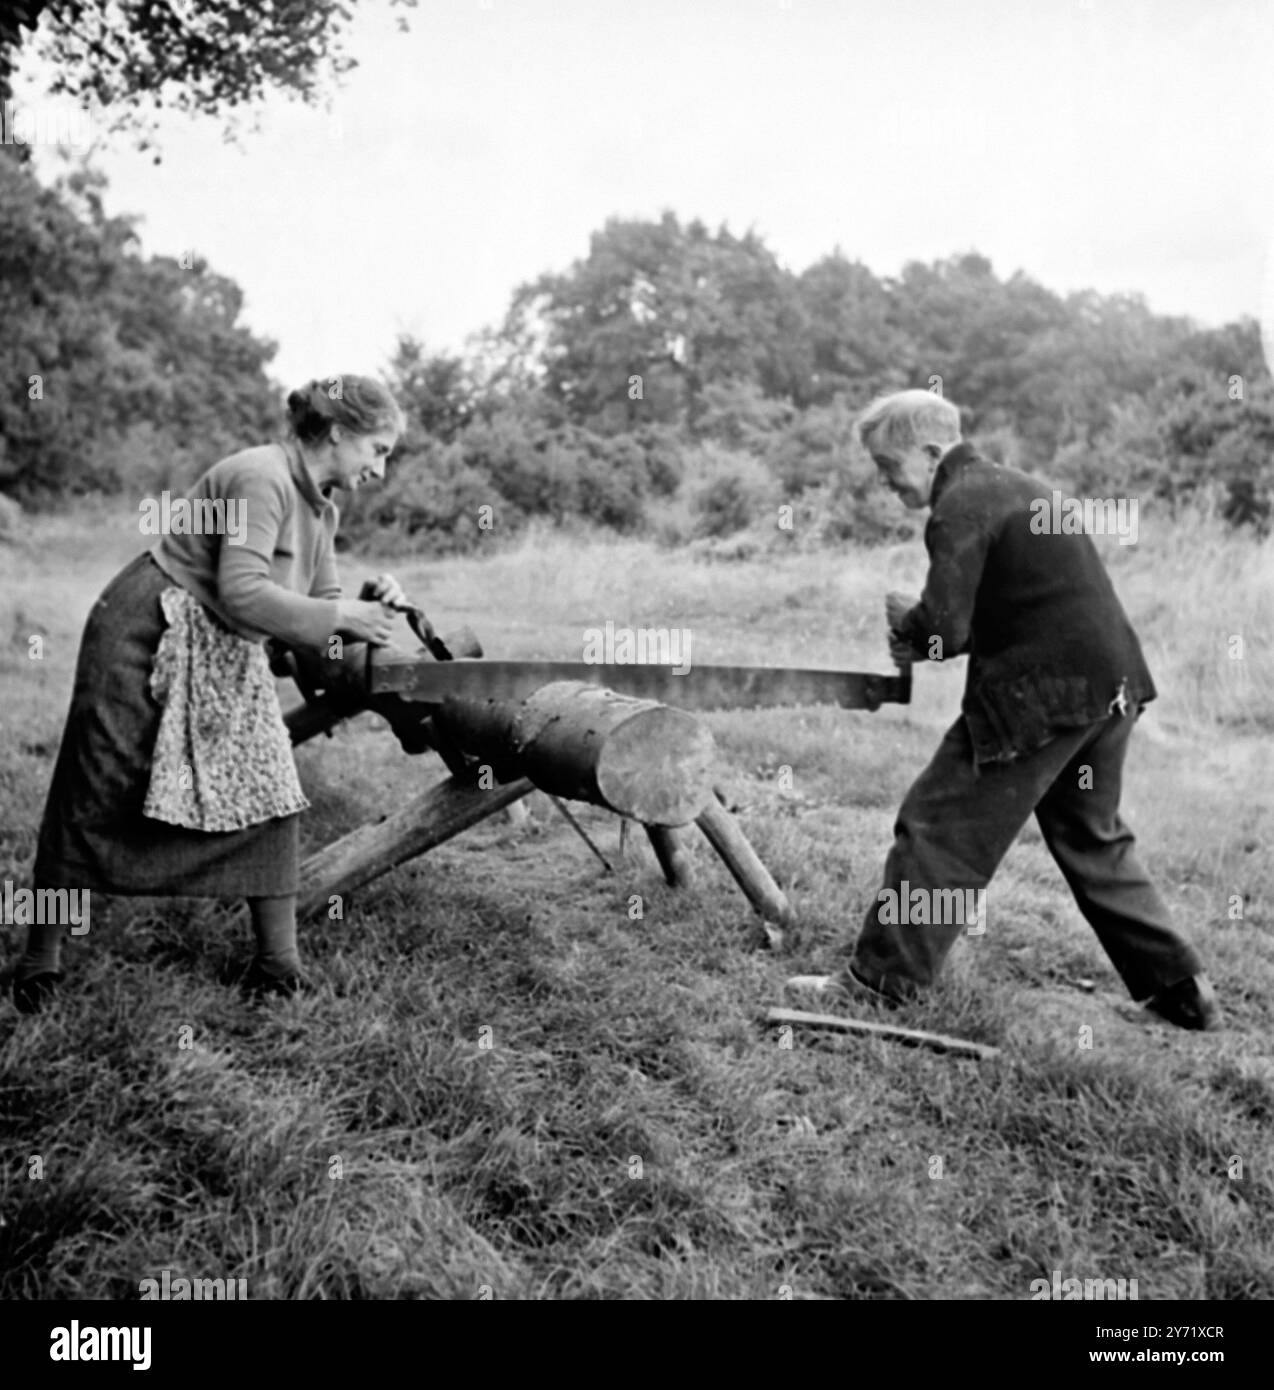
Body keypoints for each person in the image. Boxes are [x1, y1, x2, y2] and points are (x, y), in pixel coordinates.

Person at [787, 389, 1217, 1030]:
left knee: (939, 827)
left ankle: (881, 987)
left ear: (932, 452)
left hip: (1042, 696)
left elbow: (946, 634)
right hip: (1112, 686)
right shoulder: (1022, 487)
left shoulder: (958, 507)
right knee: (1089, 834)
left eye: (888, 467)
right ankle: (1181, 991)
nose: (884, 483)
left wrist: (910, 618)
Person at [12, 375, 409, 1014]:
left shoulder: (321, 508)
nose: (381, 470)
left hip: (223, 649)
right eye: (378, 450)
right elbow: (245, 591)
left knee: (268, 788)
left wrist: (365, 604)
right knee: (97, 791)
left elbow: (318, 619)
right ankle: (39, 961)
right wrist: (339, 621)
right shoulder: (260, 475)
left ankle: (276, 968)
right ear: (338, 432)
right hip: (148, 631)